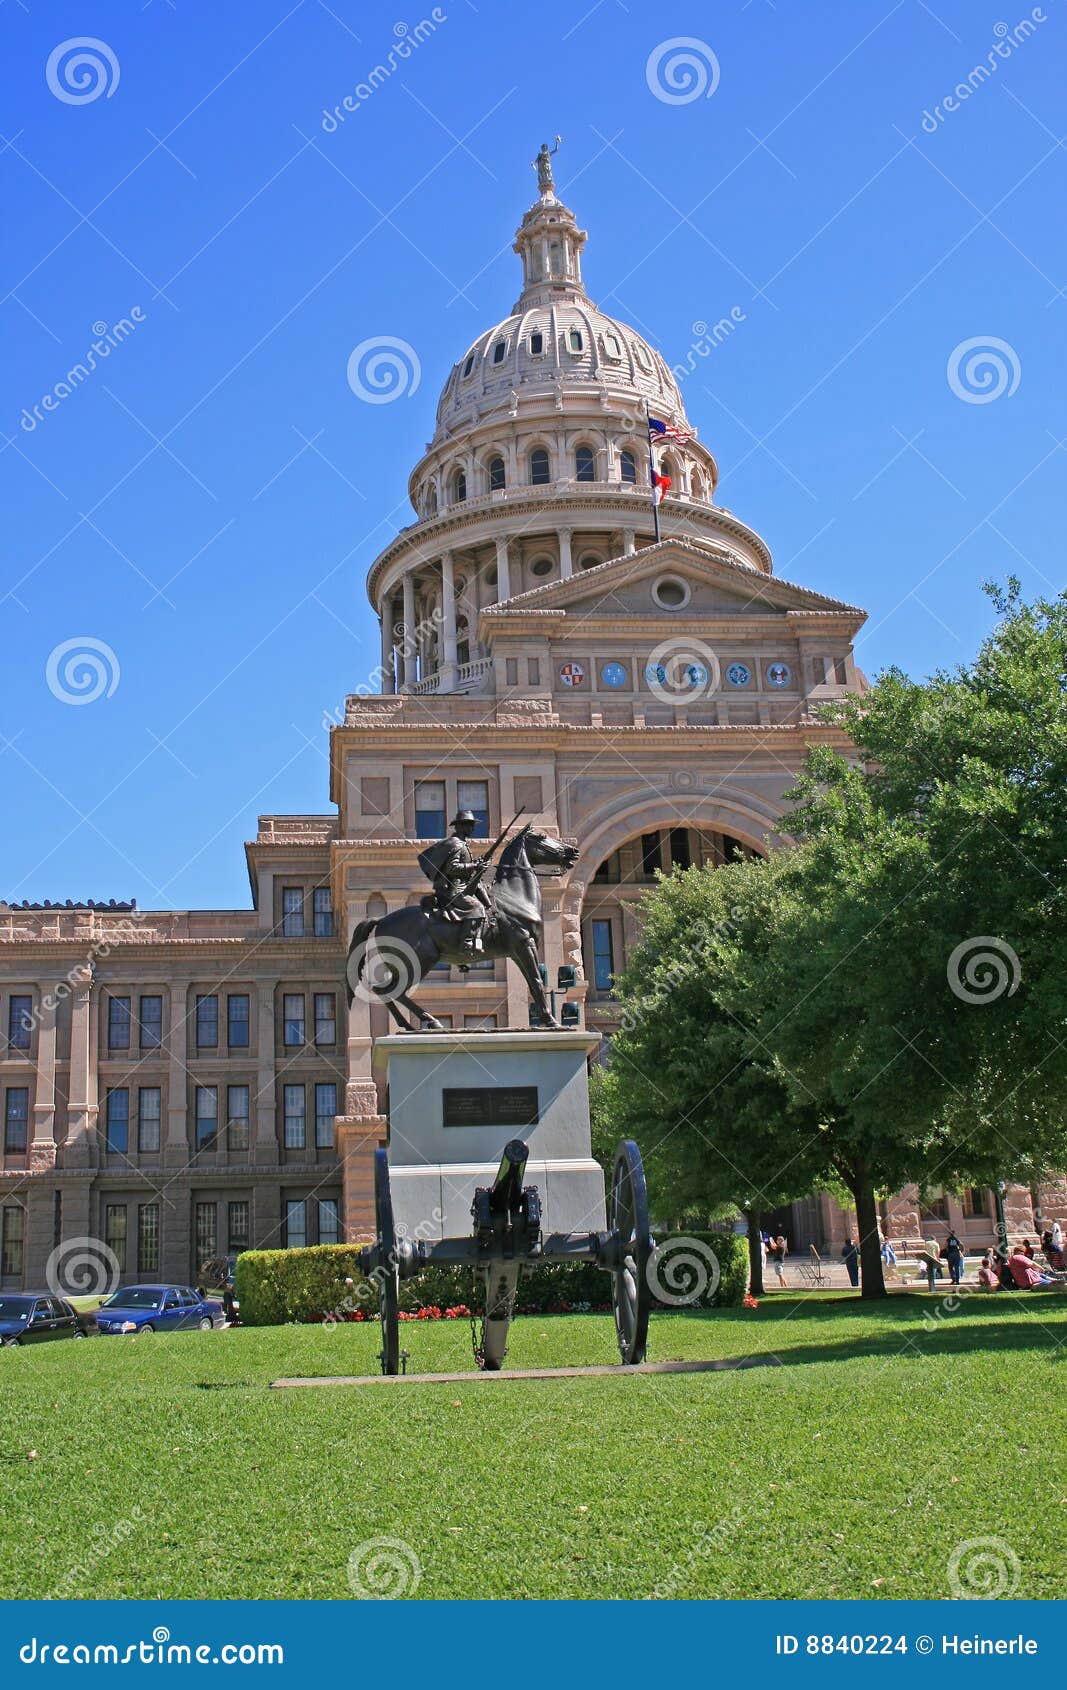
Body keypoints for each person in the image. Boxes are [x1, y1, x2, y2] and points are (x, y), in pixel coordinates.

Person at [417, 810, 493, 959]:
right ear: (462, 826)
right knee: (476, 907)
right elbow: (452, 867)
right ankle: (467, 942)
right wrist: (474, 866)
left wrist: (478, 864)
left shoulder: (462, 843)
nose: (473, 828)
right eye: (470, 825)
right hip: (455, 890)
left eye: (472, 825)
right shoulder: (456, 844)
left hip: (463, 886)